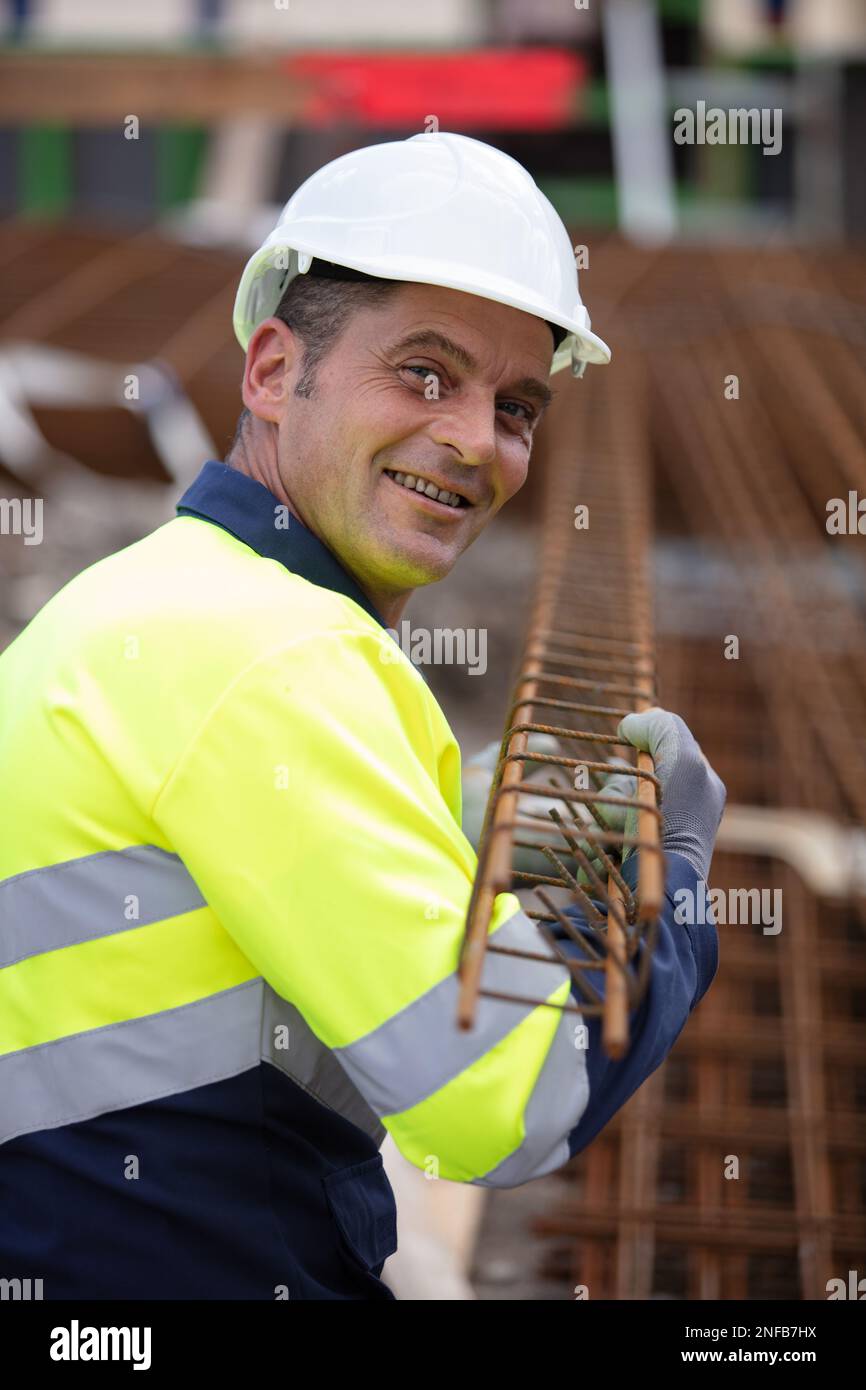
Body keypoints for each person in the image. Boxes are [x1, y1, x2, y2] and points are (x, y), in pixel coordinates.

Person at [0, 133, 725, 1300]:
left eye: (517, 406)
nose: (474, 442)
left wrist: (445, 817)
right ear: (274, 371)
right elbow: (505, 1099)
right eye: (425, 374)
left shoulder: (147, 597)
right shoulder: (274, 654)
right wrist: (665, 883)